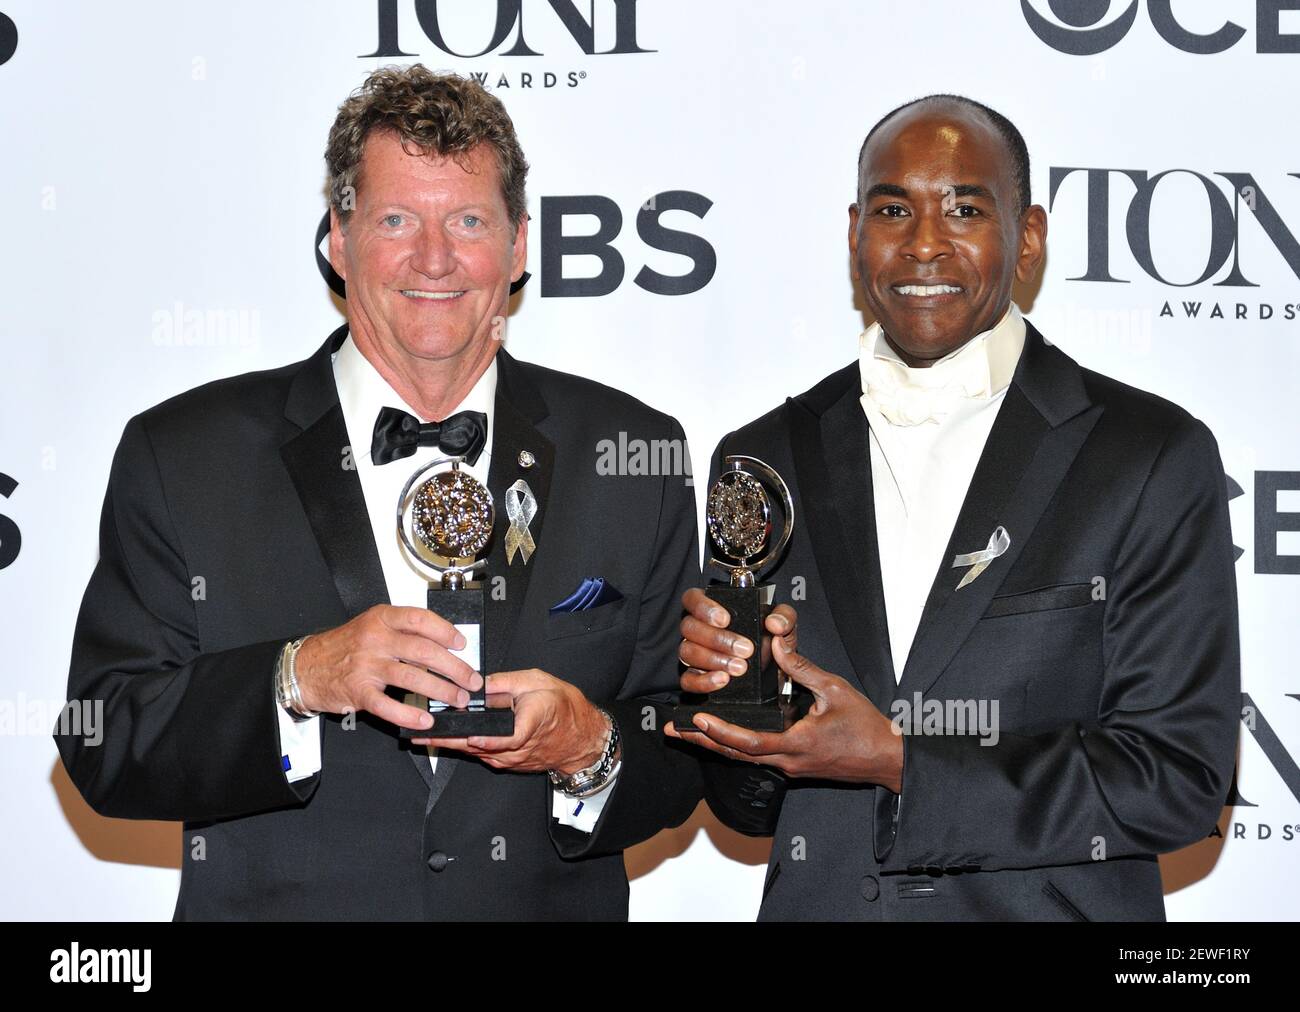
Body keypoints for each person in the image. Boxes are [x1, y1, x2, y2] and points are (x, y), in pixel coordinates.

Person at [56, 66, 701, 920]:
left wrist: (588, 747)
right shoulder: (184, 454)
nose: (434, 258)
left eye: (468, 221)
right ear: (336, 237)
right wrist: (294, 678)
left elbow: (687, 754)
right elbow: (106, 741)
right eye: (396, 220)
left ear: (518, 247)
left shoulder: (633, 453)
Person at [668, 94, 1240, 921]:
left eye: (964, 208)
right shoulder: (763, 459)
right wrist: (733, 705)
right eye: (893, 209)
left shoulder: (1147, 454)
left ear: (1029, 235)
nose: (924, 242)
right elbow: (747, 808)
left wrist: (901, 762)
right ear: (855, 232)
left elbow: (1179, 780)